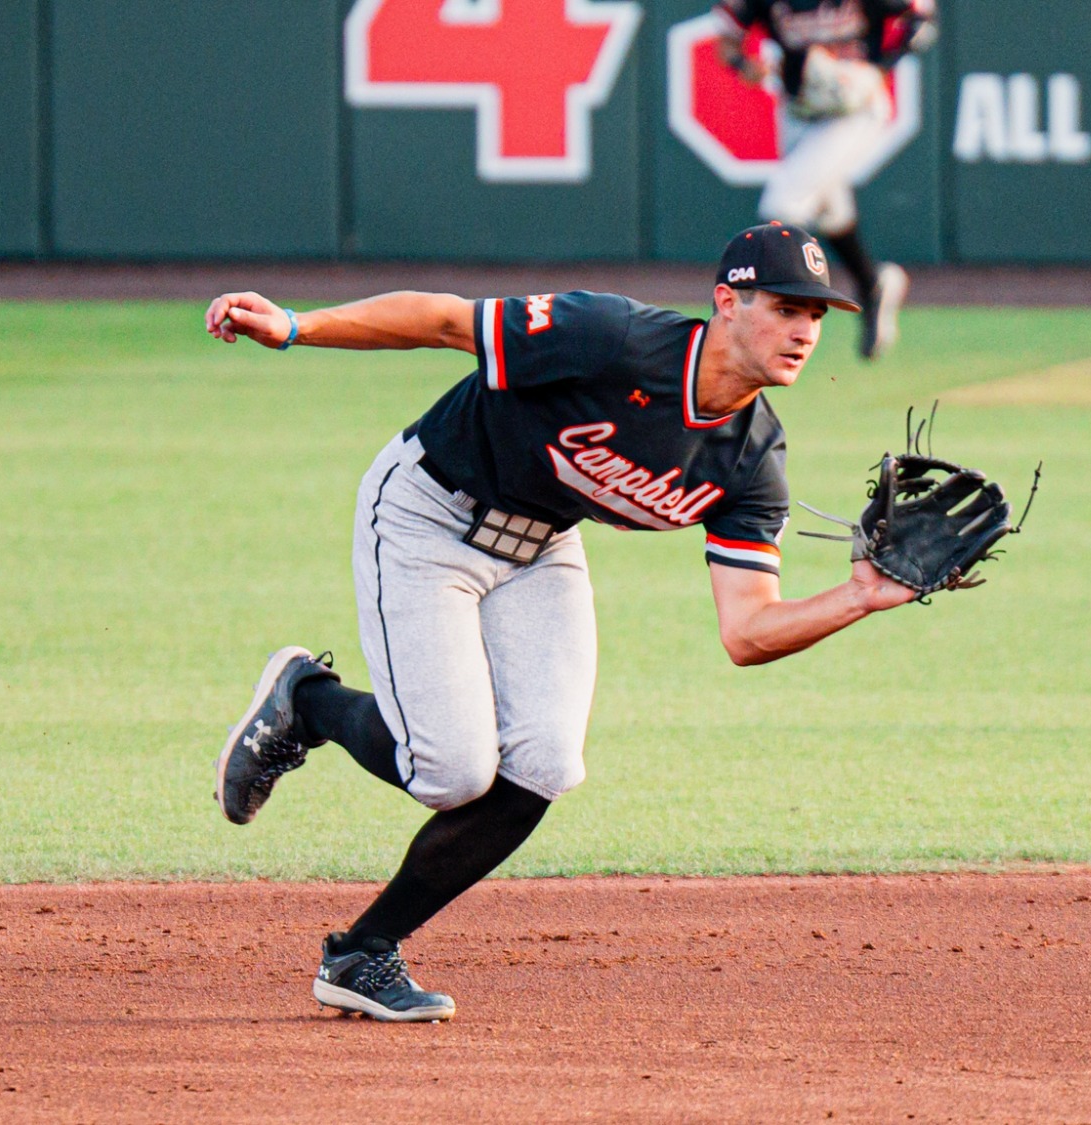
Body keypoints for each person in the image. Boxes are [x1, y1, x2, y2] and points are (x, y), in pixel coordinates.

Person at [202, 223, 917, 1022]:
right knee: (450, 772)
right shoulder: (611, 338)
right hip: (427, 511)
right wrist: (297, 326)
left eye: (817, 317)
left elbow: (747, 632)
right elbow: (445, 320)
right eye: (787, 308)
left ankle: (362, 954)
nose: (804, 333)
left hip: (541, 548)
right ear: (726, 301)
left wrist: (861, 596)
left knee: (543, 763)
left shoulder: (753, 459)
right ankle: (308, 702)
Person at [713, 0, 938, 359]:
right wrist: (744, 64)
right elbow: (726, 40)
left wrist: (880, 65)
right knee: (830, 209)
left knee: (783, 203)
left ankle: (782, 313)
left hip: (855, 111)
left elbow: (922, 13)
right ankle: (873, 282)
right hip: (799, 112)